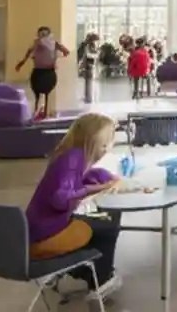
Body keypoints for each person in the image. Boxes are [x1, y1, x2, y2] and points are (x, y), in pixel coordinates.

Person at [25, 113, 123, 301]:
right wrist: (95, 188)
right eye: (103, 145)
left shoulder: (71, 154)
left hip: (38, 229)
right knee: (108, 224)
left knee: (100, 222)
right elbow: (60, 199)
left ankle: (93, 275)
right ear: (90, 141)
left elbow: (82, 177)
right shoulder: (73, 158)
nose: (105, 150)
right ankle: (101, 280)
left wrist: (106, 177)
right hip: (46, 234)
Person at [15, 26, 70, 120]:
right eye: (41, 34)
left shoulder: (54, 43)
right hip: (38, 72)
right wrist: (21, 63)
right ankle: (36, 111)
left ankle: (45, 113)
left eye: (45, 34)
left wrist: (57, 56)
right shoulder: (36, 43)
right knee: (37, 93)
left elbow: (66, 51)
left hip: (49, 72)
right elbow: (29, 52)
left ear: (49, 35)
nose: (43, 36)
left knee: (47, 93)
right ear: (38, 35)